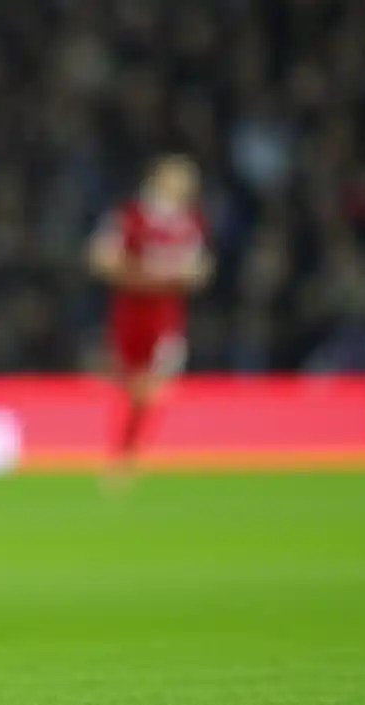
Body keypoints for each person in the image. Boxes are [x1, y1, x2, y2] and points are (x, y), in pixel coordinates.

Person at [89, 155, 211, 488]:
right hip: (130, 313)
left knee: (153, 386)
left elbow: (200, 268)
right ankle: (123, 453)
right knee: (129, 384)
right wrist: (143, 277)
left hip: (165, 317)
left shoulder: (190, 223)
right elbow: (101, 258)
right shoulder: (131, 217)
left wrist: (183, 277)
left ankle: (128, 457)